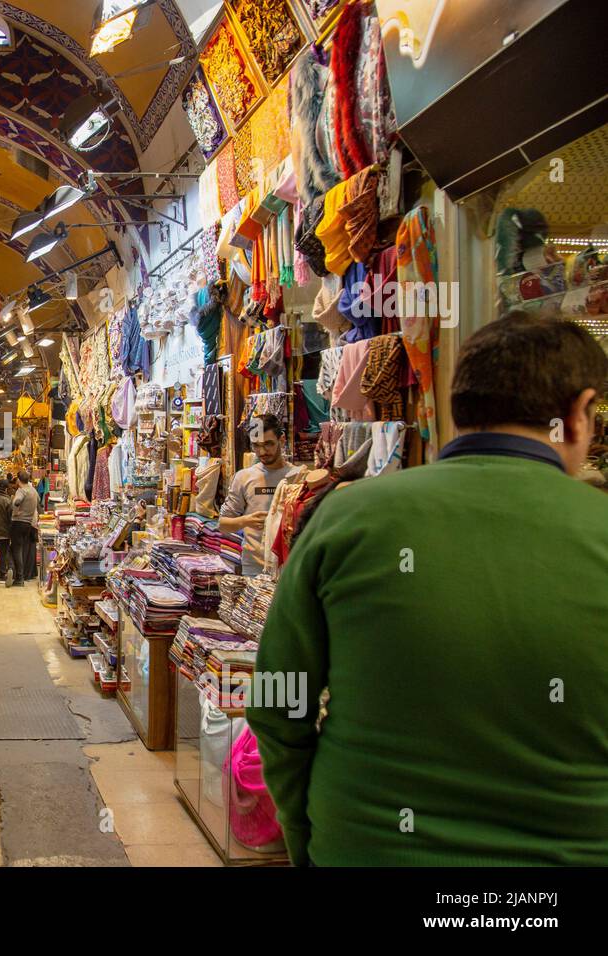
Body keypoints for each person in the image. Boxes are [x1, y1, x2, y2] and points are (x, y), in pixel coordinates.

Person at [247, 313, 608, 866]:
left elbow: (277, 702)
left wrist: (311, 834)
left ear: (456, 407)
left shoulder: (348, 518)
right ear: (580, 416)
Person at [218, 414, 302, 577]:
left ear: (282, 440)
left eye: (268, 444)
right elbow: (222, 524)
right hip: (254, 568)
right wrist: (246, 521)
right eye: (256, 445)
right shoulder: (244, 477)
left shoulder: (298, 476)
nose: (262, 451)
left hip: (290, 567)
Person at [9, 470, 39, 588]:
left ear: (18, 480)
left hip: (18, 522)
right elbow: (39, 502)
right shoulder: (33, 490)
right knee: (20, 549)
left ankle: (18, 577)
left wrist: (15, 504)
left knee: (15, 549)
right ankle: (19, 575)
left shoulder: (21, 490)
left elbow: (17, 501)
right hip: (28, 524)